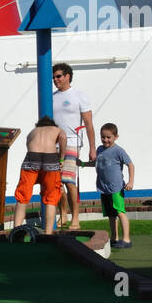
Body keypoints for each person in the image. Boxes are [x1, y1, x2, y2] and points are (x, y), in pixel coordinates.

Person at [51, 62, 95, 230]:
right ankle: (63, 214)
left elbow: (89, 123)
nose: (55, 80)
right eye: (54, 77)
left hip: (72, 142)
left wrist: (92, 147)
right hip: (54, 144)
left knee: (68, 180)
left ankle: (75, 217)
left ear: (67, 76)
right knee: (56, 182)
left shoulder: (79, 95)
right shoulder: (52, 97)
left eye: (59, 76)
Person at [11, 116, 67, 232]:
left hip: (31, 158)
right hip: (51, 159)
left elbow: (28, 145)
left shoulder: (33, 131)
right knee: (51, 197)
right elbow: (63, 137)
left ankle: (16, 230)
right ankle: (48, 233)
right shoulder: (57, 130)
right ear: (53, 124)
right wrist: (61, 159)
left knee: (23, 196)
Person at [95, 123, 135, 248]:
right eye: (103, 137)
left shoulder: (118, 151)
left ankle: (127, 239)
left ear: (115, 137)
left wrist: (130, 182)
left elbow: (130, 165)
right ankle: (114, 238)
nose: (105, 140)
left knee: (120, 212)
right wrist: (84, 164)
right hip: (103, 188)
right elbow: (98, 162)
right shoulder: (99, 149)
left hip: (116, 188)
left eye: (108, 137)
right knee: (111, 215)